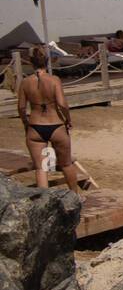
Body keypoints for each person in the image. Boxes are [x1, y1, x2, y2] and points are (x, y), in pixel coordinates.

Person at [16, 45, 79, 194]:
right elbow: (62, 104)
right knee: (66, 164)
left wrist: (25, 123)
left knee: (41, 167)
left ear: (30, 62)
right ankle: (75, 197)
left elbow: (21, 107)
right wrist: (68, 119)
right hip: (55, 124)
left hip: (35, 125)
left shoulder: (25, 82)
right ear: (47, 60)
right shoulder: (54, 79)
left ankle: (44, 201)